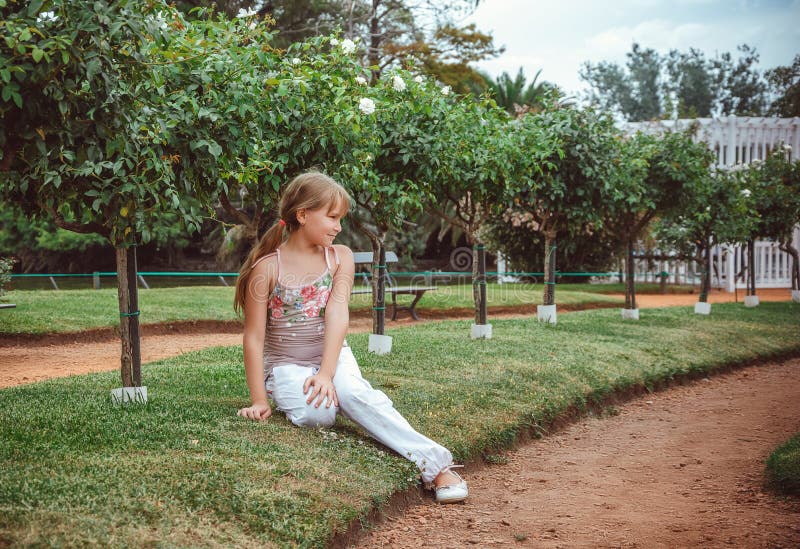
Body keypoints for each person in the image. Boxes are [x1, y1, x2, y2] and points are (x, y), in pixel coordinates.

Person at [234, 171, 468, 504]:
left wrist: (327, 373)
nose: (338, 226)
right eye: (332, 217)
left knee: (355, 393)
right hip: (287, 363)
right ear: (302, 215)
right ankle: (320, 395)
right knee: (319, 416)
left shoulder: (339, 257)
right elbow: (254, 338)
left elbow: (337, 314)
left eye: (340, 218)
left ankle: (437, 466)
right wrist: (259, 400)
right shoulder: (267, 268)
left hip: (332, 355)